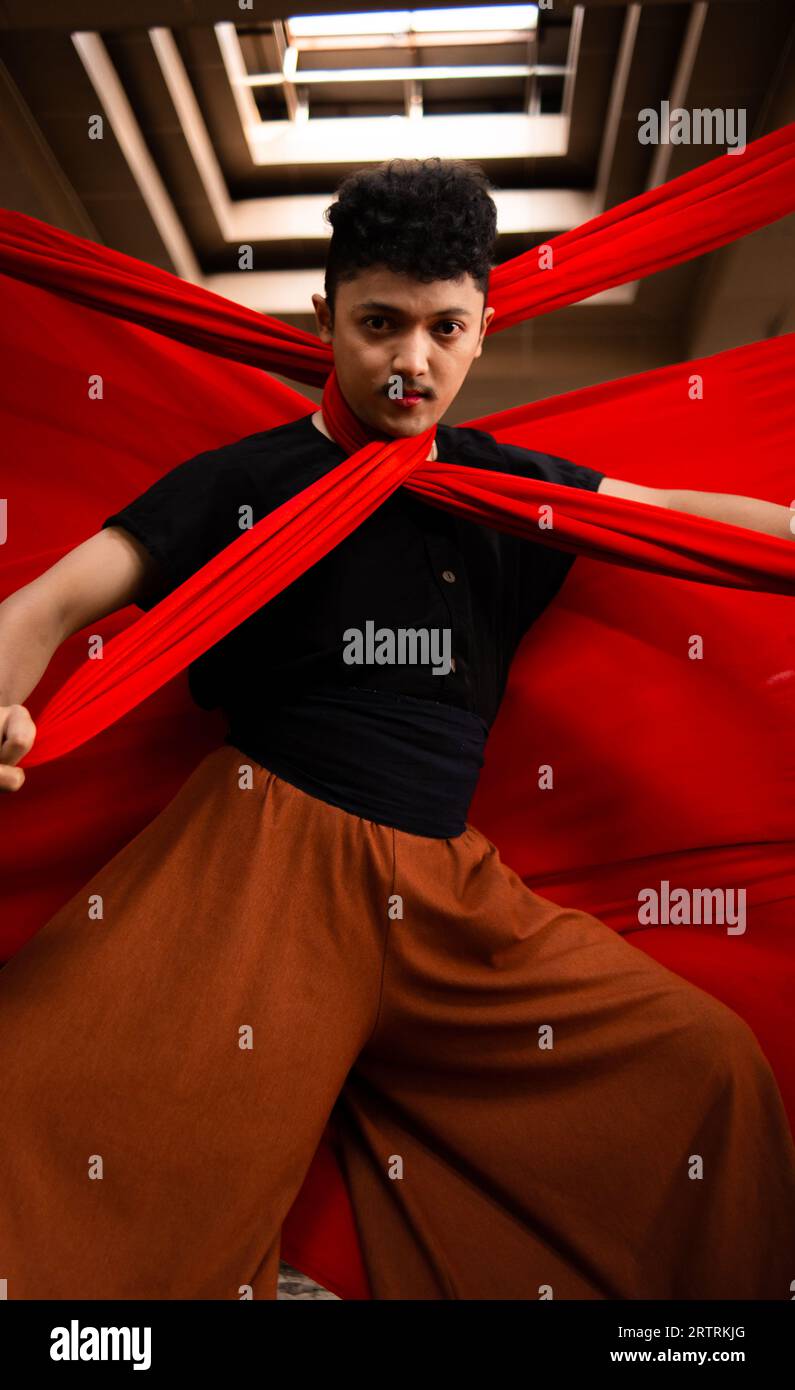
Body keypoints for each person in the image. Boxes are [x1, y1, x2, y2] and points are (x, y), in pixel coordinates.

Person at [0, 157, 794, 1301]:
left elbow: (671, 520)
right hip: (257, 864)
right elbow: (47, 605)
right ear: (325, 318)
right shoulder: (247, 481)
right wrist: (11, 707)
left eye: (443, 328)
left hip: (449, 899)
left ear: (483, 329)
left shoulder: (508, 492)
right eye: (379, 324)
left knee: (706, 1064)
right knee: (47, 1115)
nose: (410, 361)